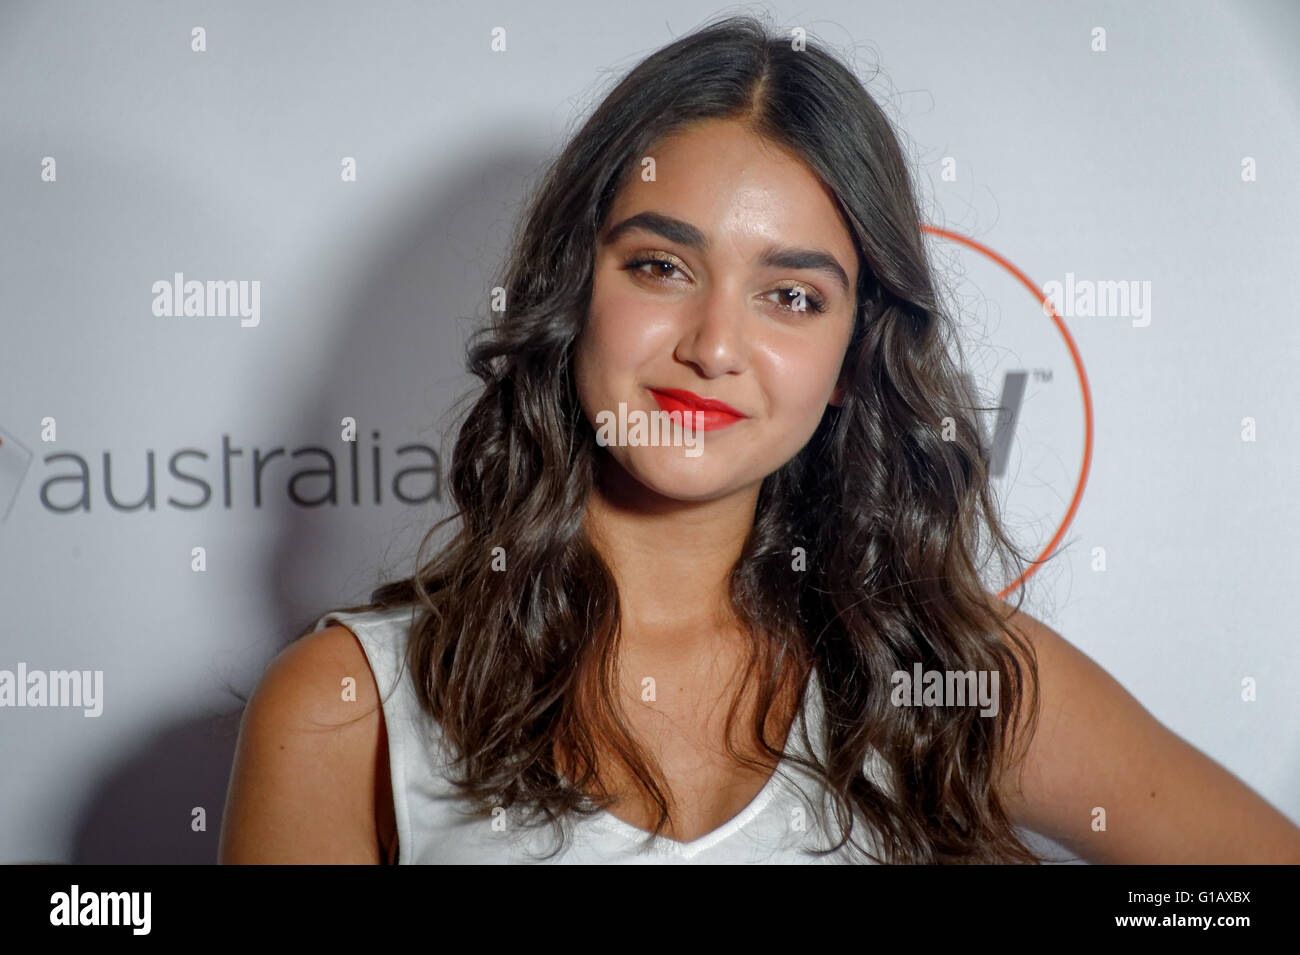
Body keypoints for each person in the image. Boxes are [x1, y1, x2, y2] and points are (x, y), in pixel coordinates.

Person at [218, 14, 1300, 864]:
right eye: (661, 266)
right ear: (567, 292)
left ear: (850, 358)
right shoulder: (346, 708)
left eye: (789, 295)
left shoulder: (945, 676)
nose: (714, 344)